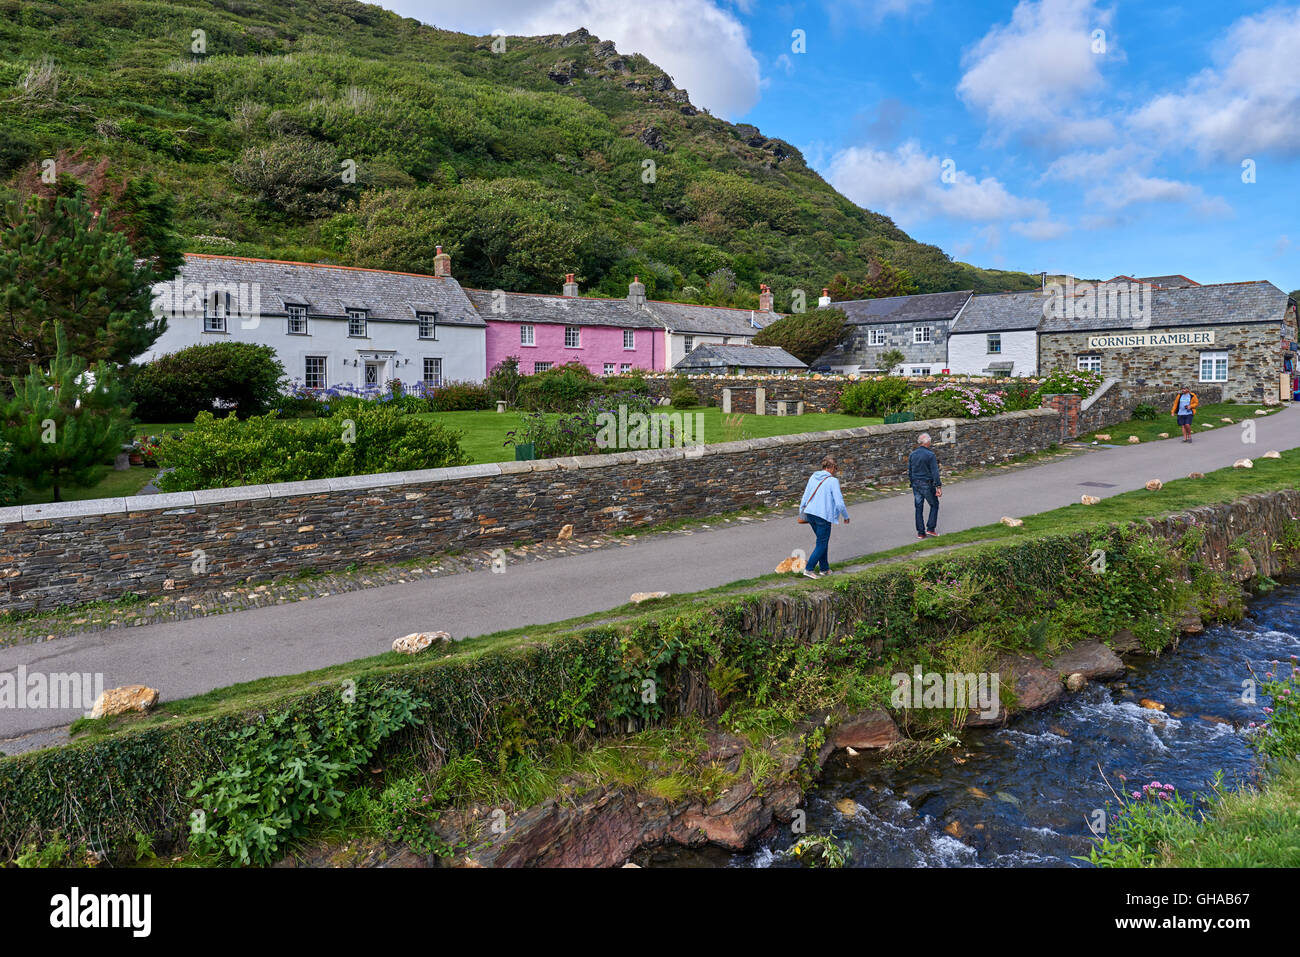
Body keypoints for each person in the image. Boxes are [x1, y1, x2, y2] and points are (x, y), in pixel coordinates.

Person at [798, 454, 849, 579]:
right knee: (822, 543)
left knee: (822, 541)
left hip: (810, 514)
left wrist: (801, 511)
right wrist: (846, 516)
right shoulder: (832, 481)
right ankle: (809, 569)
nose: (835, 472)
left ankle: (824, 568)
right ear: (832, 467)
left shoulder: (813, 477)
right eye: (836, 469)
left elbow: (805, 496)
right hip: (823, 516)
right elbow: (839, 502)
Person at [908, 433, 942, 540]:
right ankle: (930, 529)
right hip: (926, 483)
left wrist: (912, 482)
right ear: (927, 442)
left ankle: (921, 532)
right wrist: (938, 486)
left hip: (915, 483)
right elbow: (935, 472)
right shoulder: (930, 455)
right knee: (934, 504)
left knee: (919, 507)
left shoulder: (912, 454)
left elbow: (910, 471)